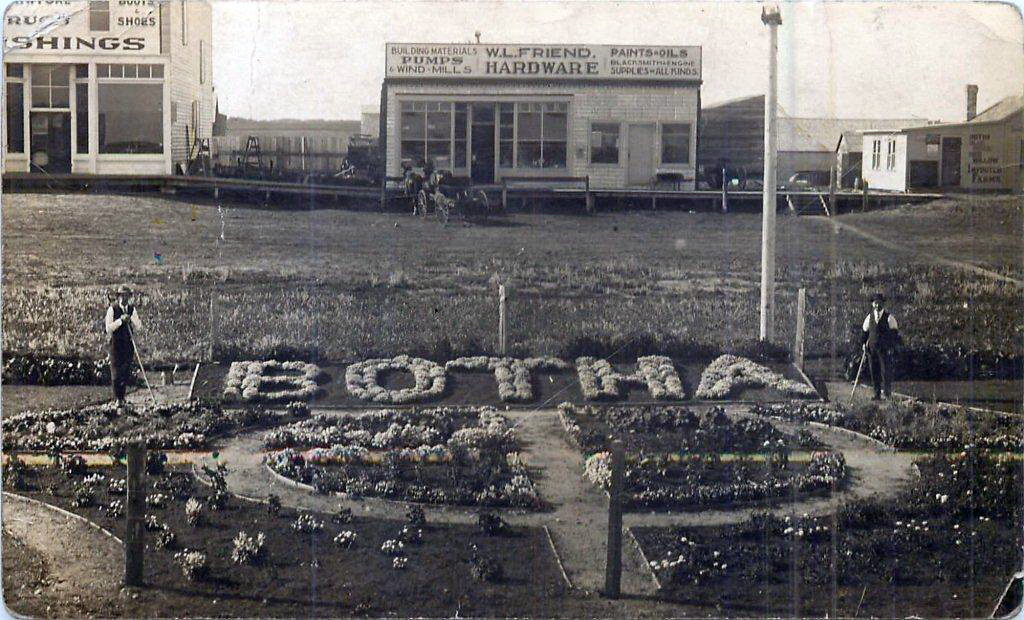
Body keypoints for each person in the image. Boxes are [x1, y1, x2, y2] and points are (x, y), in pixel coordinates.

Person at [105, 285, 143, 410]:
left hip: (127, 344)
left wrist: (130, 319)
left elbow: (139, 326)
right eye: (121, 296)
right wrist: (121, 321)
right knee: (116, 373)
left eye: (125, 296)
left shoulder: (131, 310)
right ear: (118, 297)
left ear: (129, 297)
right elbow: (108, 328)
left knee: (125, 371)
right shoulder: (113, 309)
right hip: (116, 345)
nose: (123, 298)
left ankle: (122, 398)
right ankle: (118, 399)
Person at [860, 292, 900, 400]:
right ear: (872, 304)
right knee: (874, 372)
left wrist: (892, 347)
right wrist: (864, 344)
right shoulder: (869, 317)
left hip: (884, 350)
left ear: (883, 303)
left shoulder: (889, 318)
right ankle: (876, 394)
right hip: (872, 350)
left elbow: (895, 335)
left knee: (885, 372)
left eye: (879, 303)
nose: (877, 305)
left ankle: (887, 394)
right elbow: (864, 332)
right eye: (875, 303)